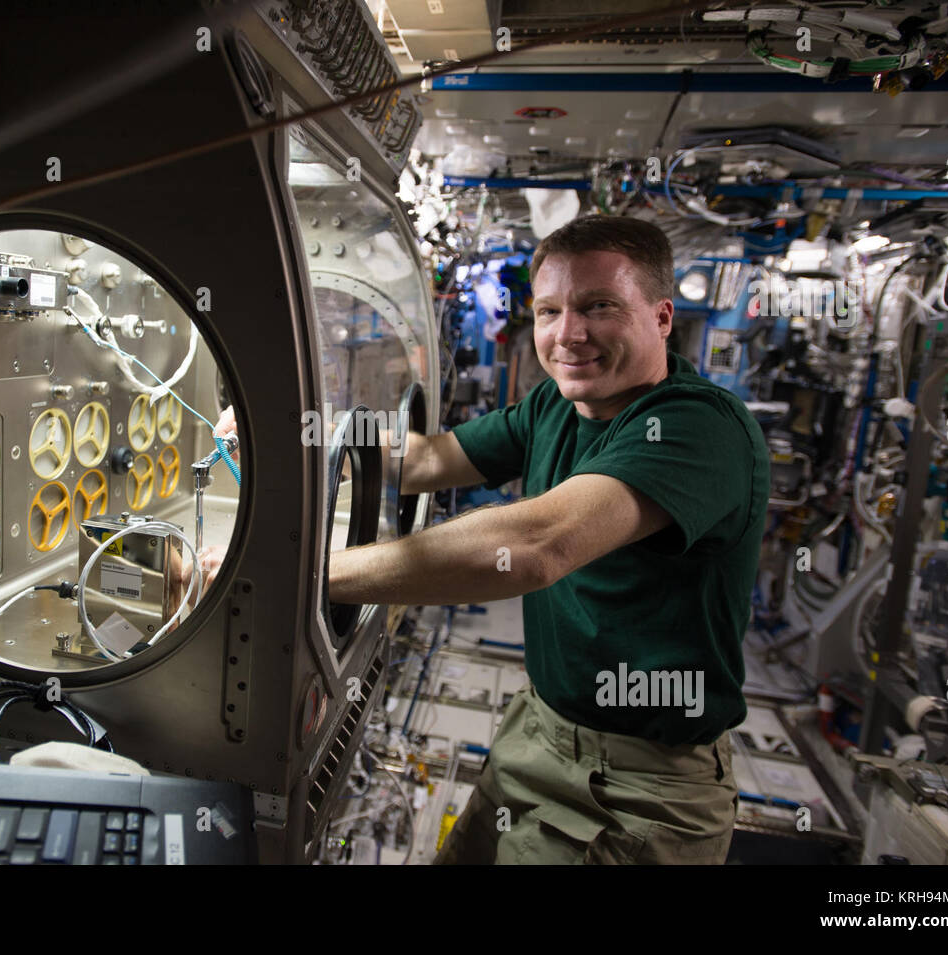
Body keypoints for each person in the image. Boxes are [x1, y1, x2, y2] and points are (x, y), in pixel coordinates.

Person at [203, 215, 770, 864]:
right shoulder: (556, 405)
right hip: (536, 733)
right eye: (549, 311)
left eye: (599, 307)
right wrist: (293, 433)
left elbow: (536, 546)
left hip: (638, 787)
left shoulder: (700, 427)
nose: (568, 334)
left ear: (663, 317)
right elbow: (423, 459)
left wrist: (296, 575)